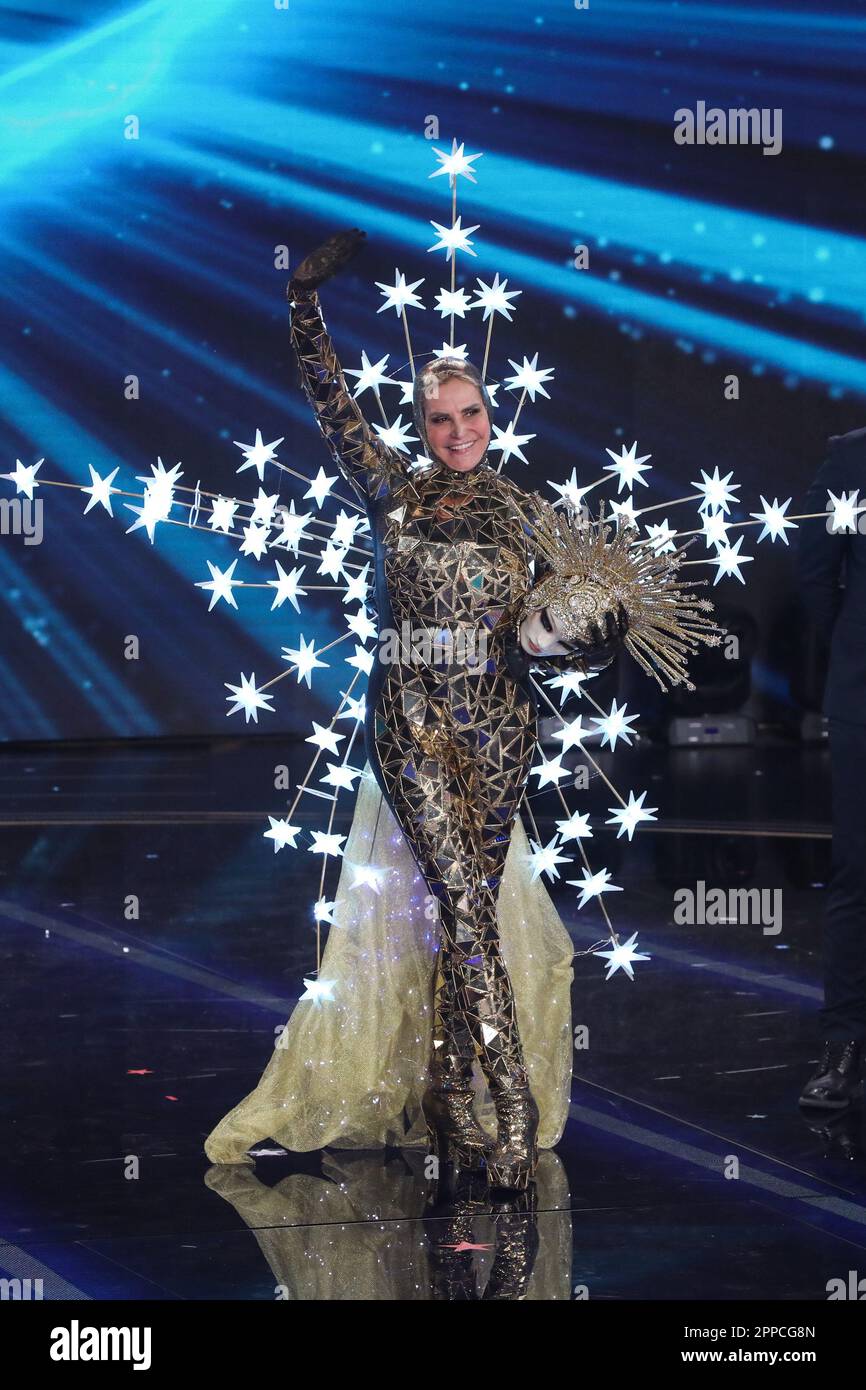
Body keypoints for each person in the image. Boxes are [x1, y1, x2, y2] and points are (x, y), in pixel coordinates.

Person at [207, 228, 627, 1194]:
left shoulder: (522, 510)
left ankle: (447, 1089)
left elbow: (574, 627)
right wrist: (304, 302)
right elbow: (326, 395)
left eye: (471, 413)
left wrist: (590, 631)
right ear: (420, 425)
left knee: (461, 920)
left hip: (501, 732)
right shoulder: (391, 495)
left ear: (492, 413)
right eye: (440, 419)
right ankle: (508, 1106)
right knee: (467, 909)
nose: (460, 430)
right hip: (411, 729)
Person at [797, 425, 866, 1108]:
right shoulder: (850, 456)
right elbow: (814, 572)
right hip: (864, 698)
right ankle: (843, 1050)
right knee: (858, 873)